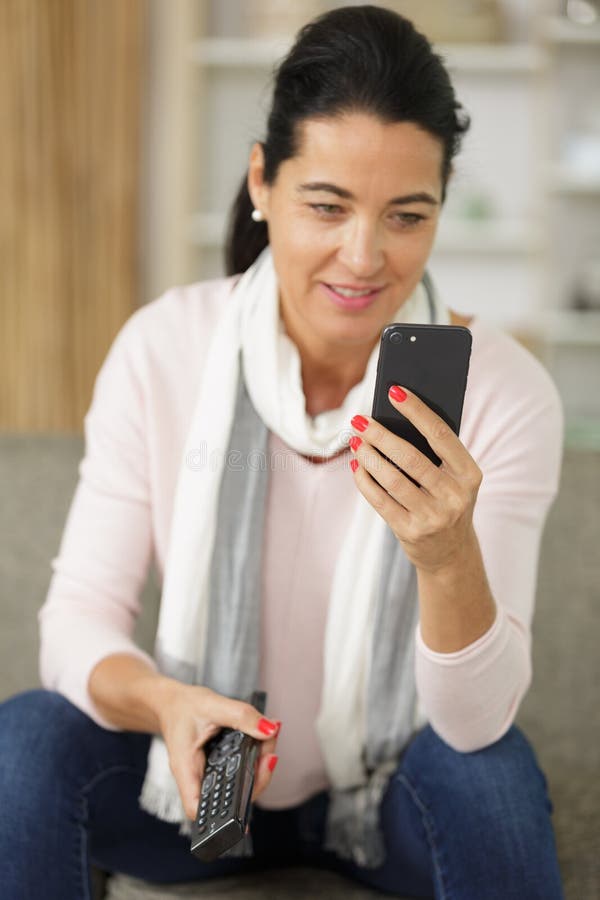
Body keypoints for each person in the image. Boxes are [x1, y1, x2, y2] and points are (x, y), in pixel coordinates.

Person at [0, 6, 565, 899]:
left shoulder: (504, 392)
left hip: (389, 800)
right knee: (26, 739)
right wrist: (165, 705)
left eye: (406, 216)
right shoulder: (167, 348)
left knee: (491, 777)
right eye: (327, 205)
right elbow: (75, 623)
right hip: (203, 784)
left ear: (441, 210)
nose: (364, 257)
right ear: (262, 180)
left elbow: (474, 722)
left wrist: (446, 554)